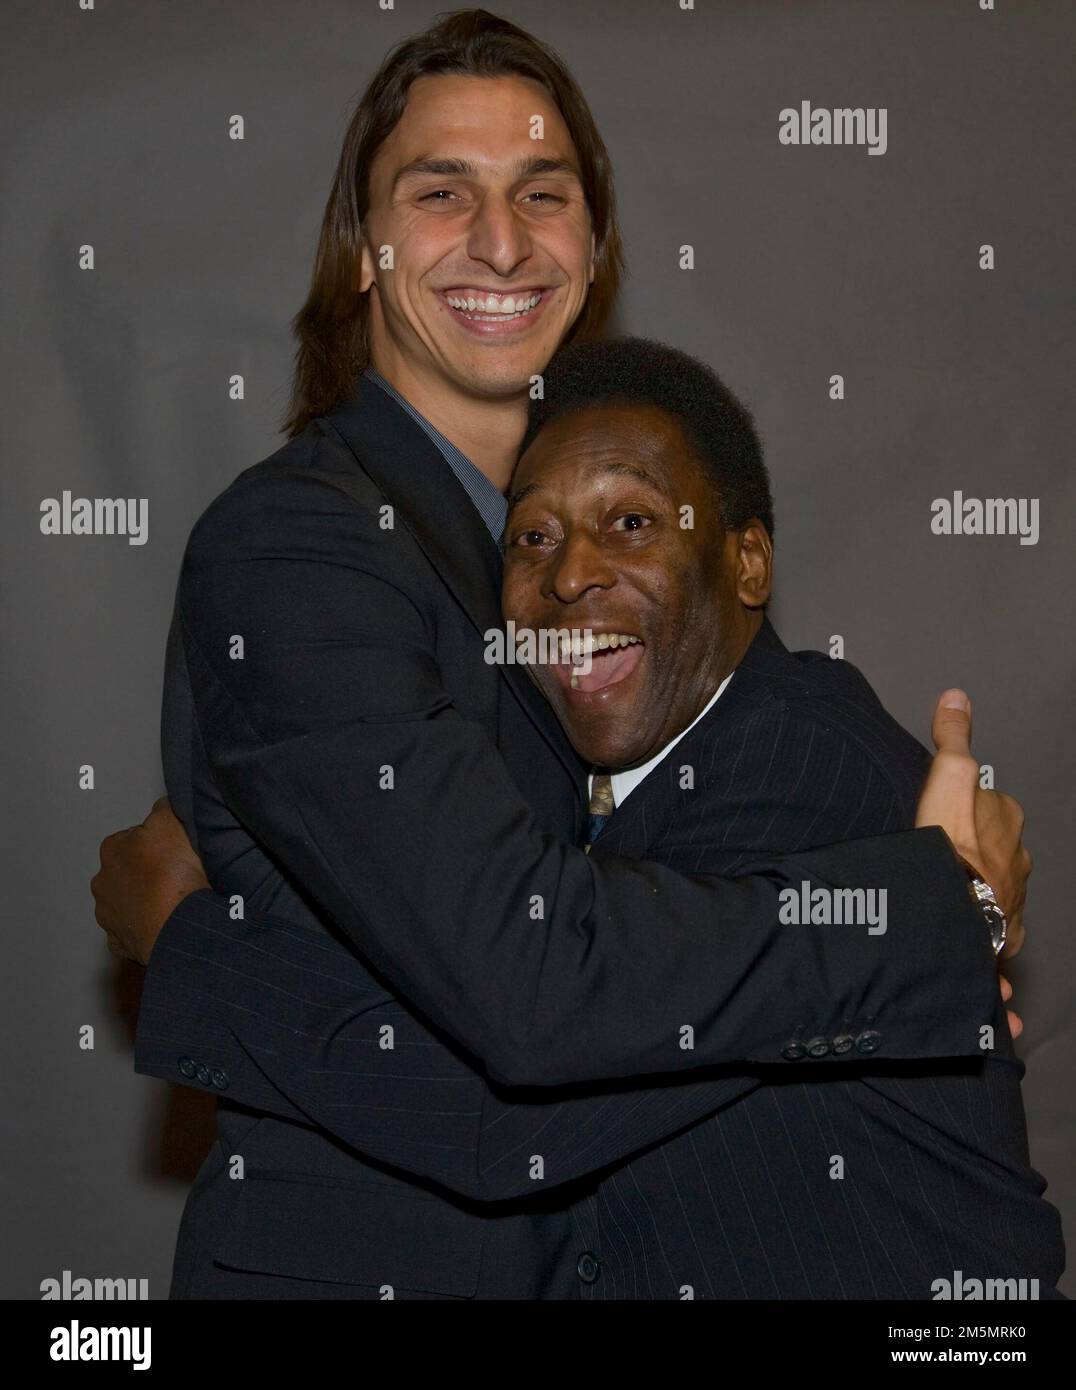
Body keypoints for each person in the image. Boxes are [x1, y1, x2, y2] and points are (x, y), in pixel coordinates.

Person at [92, 12, 1028, 1299]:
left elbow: (637, 982)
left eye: (544, 193)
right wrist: (928, 919)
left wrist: (195, 950)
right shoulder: (296, 547)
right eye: (439, 193)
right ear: (362, 250)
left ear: (592, 250)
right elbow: (533, 997)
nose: (498, 240)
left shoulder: (592, 582)